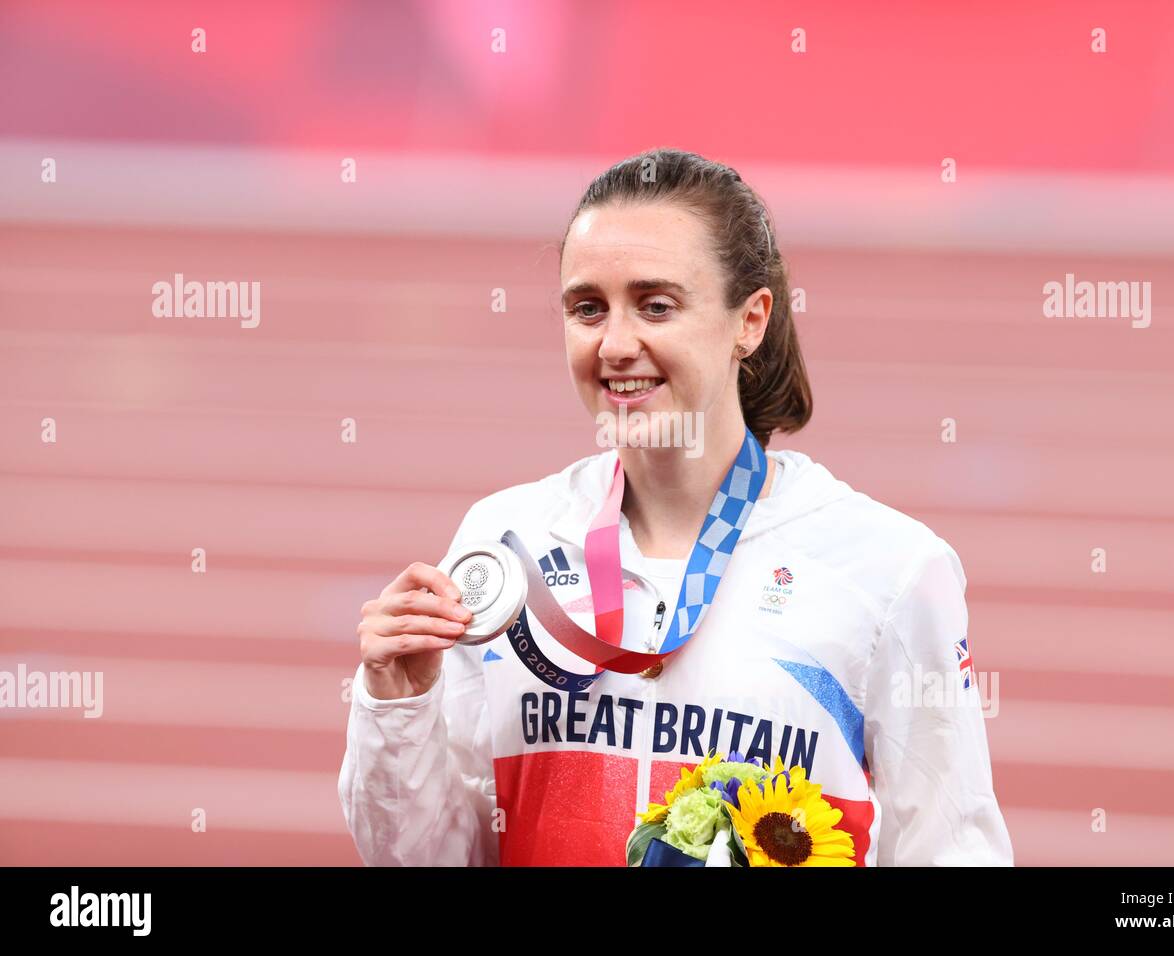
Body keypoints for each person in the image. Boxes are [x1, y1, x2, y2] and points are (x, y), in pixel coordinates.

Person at [338, 148, 1013, 867]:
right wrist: (397, 704)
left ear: (749, 321)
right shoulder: (507, 544)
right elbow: (433, 859)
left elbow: (952, 849)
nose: (617, 344)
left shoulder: (889, 569)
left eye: (657, 305)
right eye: (587, 308)